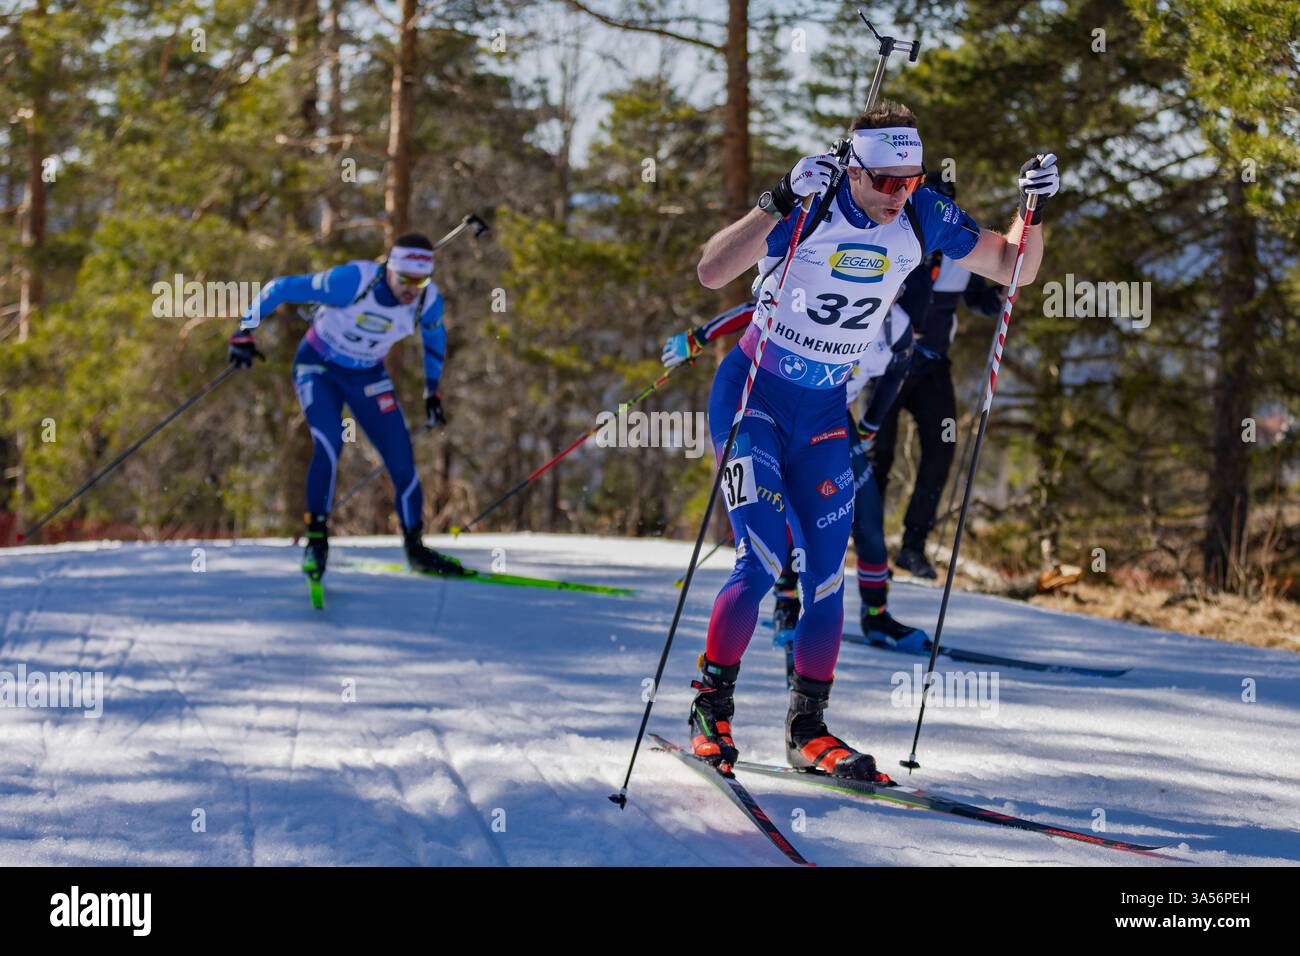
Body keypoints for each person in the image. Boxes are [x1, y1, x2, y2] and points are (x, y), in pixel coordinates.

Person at [687, 99, 1057, 780]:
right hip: (754, 395)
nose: (898, 195)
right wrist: (773, 201)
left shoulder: (923, 214)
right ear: (853, 170)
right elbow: (712, 271)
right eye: (885, 181)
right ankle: (711, 709)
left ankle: (808, 728)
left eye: (909, 180)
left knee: (828, 577)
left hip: (824, 409)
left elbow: (1014, 267)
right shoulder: (810, 205)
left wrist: (1031, 213)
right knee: (763, 559)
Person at [664, 301, 929, 656]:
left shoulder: (898, 327)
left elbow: (895, 375)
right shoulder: (832, 293)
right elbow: (759, 305)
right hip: (775, 409)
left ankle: (876, 614)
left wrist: (870, 426)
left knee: (867, 518)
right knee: (783, 515)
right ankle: (786, 602)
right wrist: (700, 335)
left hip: (832, 421)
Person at [227, 232, 466, 584]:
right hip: (318, 367)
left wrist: (433, 391)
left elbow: (434, 340)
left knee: (401, 458)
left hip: (367, 375)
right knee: (329, 444)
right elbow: (280, 287)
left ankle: (415, 547)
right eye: (405, 279)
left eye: (421, 280)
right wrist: (244, 332)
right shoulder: (352, 281)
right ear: (389, 269)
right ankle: (317, 540)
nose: (412, 288)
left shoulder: (427, 301)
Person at [876, 171, 1007, 579]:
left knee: (941, 447)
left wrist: (1003, 296)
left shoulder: (958, 249)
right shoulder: (896, 241)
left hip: (933, 367)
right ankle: (869, 544)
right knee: (876, 454)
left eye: (948, 206)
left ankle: (913, 546)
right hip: (886, 367)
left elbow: (978, 300)